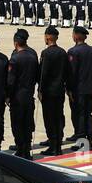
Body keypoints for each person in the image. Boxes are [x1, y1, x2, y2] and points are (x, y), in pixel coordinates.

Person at [6, 29, 39, 158]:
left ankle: (21, 149)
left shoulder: (15, 58)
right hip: (29, 94)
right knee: (27, 122)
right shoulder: (33, 55)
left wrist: (8, 95)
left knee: (17, 123)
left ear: (15, 43)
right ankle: (26, 148)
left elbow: (11, 81)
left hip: (18, 97)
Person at [38, 26, 68, 155]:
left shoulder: (46, 53)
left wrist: (40, 89)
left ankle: (53, 146)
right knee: (59, 116)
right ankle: (57, 142)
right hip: (60, 90)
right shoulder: (62, 52)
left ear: (48, 37)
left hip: (49, 91)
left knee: (50, 118)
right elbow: (67, 72)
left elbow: (43, 74)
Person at [66, 26, 92, 146]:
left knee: (78, 114)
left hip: (78, 89)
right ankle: (88, 137)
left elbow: (72, 73)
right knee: (87, 114)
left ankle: (81, 140)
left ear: (76, 36)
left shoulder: (73, 52)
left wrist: (69, 89)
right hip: (89, 88)